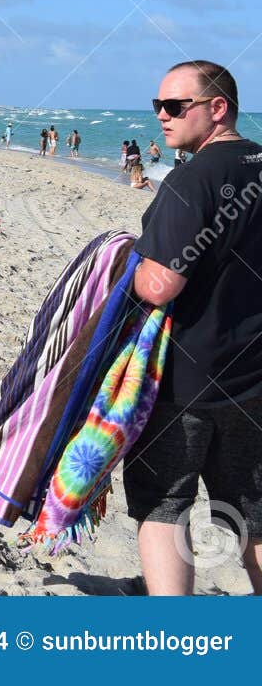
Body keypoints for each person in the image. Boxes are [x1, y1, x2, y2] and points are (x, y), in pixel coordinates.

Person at [124, 60, 262, 595]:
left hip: (184, 379)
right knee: (254, 512)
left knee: (165, 505)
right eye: (157, 105)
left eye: (175, 106)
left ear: (217, 108)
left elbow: (160, 284)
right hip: (252, 376)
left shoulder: (194, 176)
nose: (161, 116)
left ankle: (172, 643)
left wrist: (123, 266)